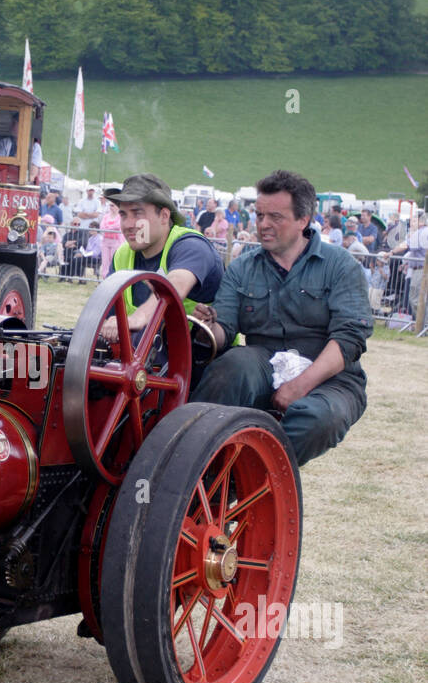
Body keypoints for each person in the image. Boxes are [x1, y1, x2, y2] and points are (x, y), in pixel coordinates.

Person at [190, 170, 373, 466]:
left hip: (330, 374)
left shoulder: (341, 266)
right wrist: (208, 330)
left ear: (303, 220)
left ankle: (245, 482)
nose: (263, 225)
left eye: (275, 217)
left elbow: (350, 338)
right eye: (259, 215)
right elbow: (223, 327)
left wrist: (300, 385)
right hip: (262, 358)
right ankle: (193, 466)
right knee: (229, 369)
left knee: (321, 418)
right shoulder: (242, 268)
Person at [99, 173, 224, 342]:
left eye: (137, 214)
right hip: (145, 360)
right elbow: (107, 317)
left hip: (202, 361)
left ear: (164, 216)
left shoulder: (192, 245)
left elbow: (176, 283)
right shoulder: (121, 255)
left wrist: (139, 317)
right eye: (123, 215)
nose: (128, 224)